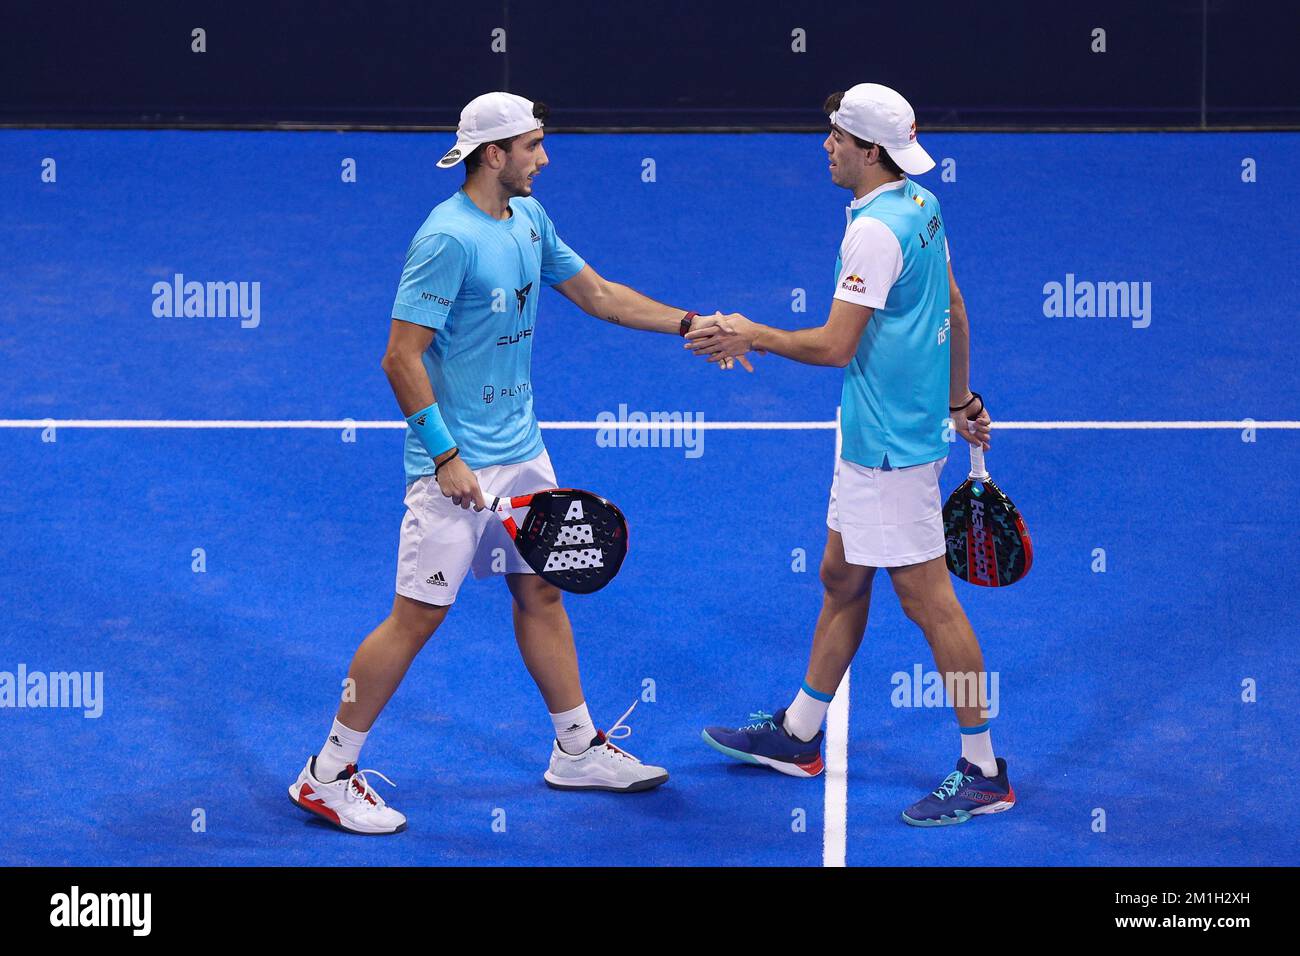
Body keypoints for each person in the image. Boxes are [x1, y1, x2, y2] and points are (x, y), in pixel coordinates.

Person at [289, 91, 740, 834]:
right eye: (534, 144)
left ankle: (575, 749)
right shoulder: (447, 239)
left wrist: (690, 324)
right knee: (416, 619)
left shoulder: (529, 218)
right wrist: (445, 457)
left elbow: (598, 295)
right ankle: (326, 773)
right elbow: (399, 358)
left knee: (542, 595)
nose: (546, 155)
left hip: (523, 452)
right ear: (494, 154)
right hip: (457, 466)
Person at [687, 83, 1013, 827]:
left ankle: (985, 767)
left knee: (930, 603)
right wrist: (960, 402)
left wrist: (749, 331)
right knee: (840, 575)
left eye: (835, 136)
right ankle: (801, 733)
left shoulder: (874, 234)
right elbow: (953, 306)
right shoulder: (922, 206)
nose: (825, 146)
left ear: (869, 150)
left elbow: (836, 345)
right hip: (884, 433)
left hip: (892, 449)